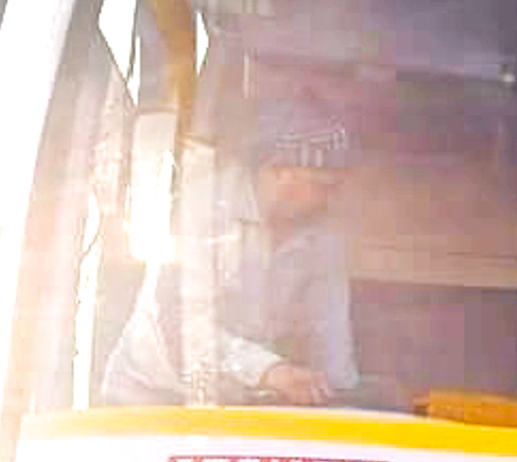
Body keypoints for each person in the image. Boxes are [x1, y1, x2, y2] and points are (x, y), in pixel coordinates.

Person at [102, 95, 361, 408]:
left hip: (234, 401)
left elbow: (330, 331)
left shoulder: (323, 237)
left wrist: (342, 400)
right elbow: (180, 326)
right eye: (322, 186)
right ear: (278, 169)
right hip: (148, 397)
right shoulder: (199, 207)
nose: (328, 200)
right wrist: (268, 370)